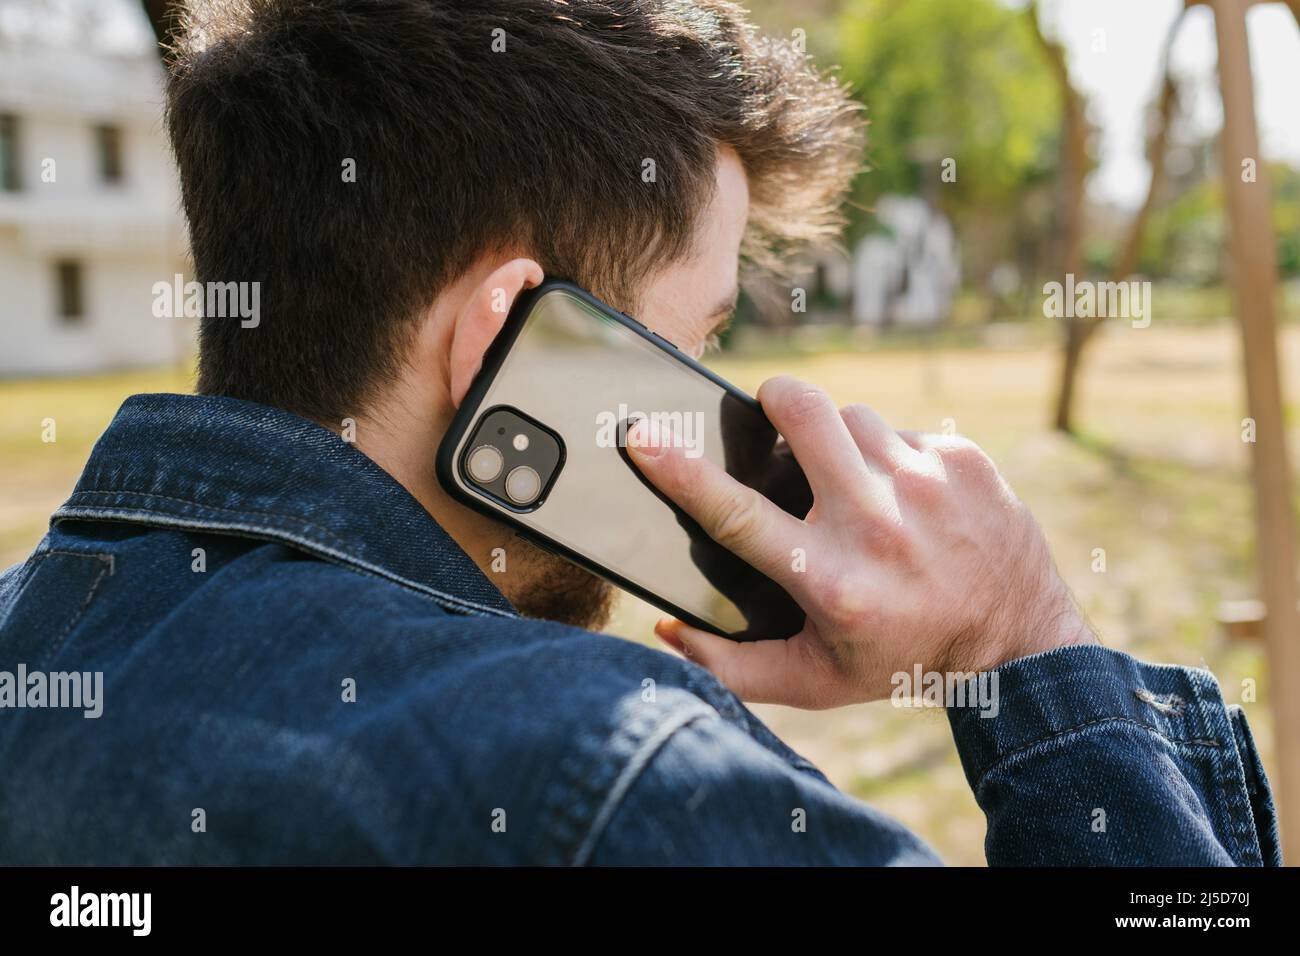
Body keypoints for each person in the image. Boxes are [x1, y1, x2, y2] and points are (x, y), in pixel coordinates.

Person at [0, 0, 1278, 865]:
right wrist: (1021, 640)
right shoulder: (619, 771)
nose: (723, 401)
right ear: (505, 338)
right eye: (700, 342)